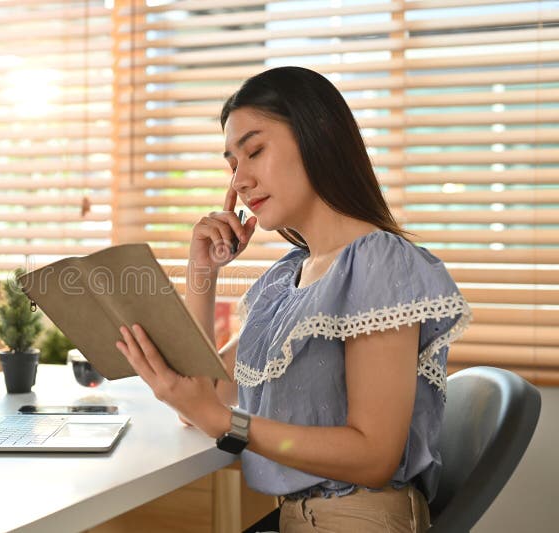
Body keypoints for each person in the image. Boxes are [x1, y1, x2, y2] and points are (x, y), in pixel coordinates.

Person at [115, 66, 471, 532]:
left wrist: (226, 422)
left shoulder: (380, 263)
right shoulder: (288, 277)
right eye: (232, 165)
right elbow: (201, 398)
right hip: (292, 519)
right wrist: (200, 273)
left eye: (254, 151)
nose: (240, 180)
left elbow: (373, 456)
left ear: (318, 135)